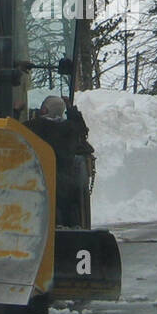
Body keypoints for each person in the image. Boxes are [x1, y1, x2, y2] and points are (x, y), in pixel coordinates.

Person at [26, 95, 94, 227]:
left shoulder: (36, 126)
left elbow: (15, 131)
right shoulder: (70, 129)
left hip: (40, 180)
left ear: (45, 110)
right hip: (65, 183)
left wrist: (16, 110)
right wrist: (71, 109)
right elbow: (82, 129)